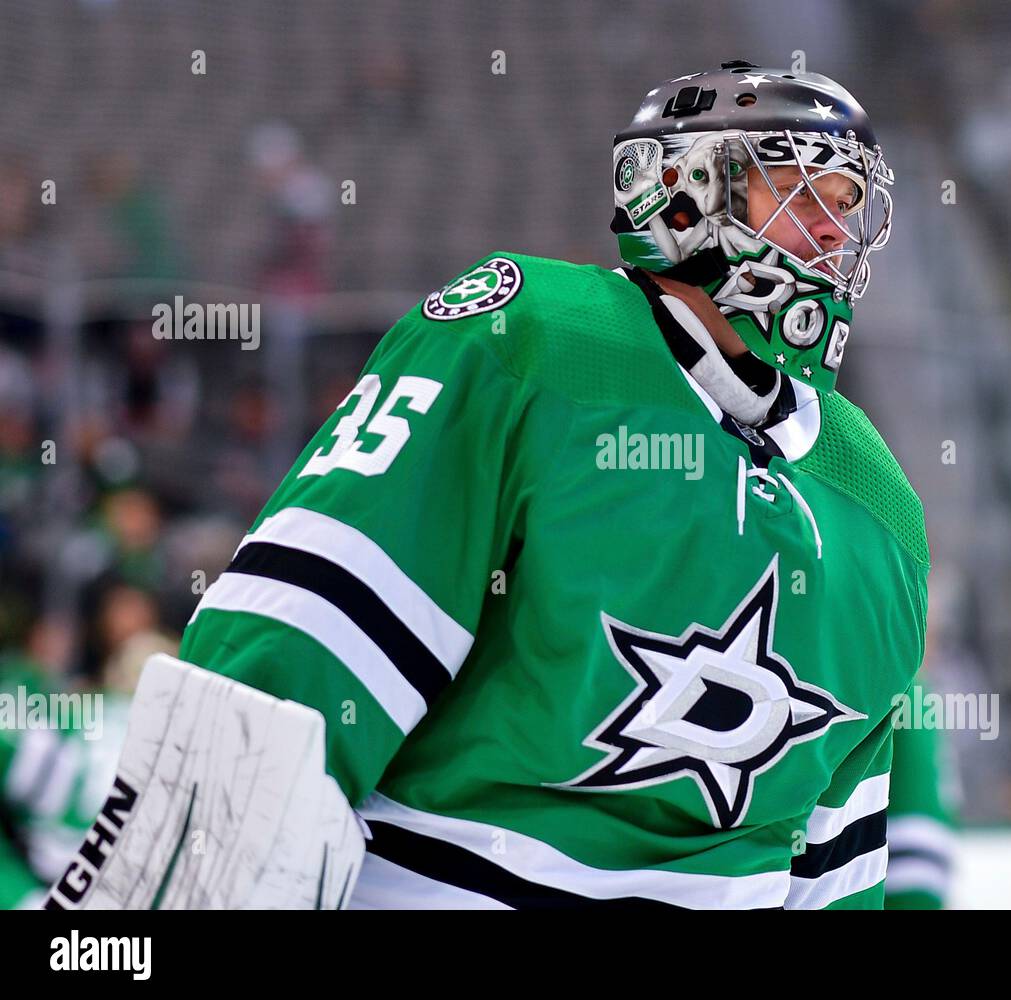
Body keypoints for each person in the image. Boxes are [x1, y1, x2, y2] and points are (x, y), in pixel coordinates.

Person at [53, 62, 929, 911]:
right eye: (799, 191)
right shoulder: (529, 340)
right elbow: (291, 676)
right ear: (681, 190)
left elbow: (833, 869)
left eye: (849, 207)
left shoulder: (880, 502)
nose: (830, 233)